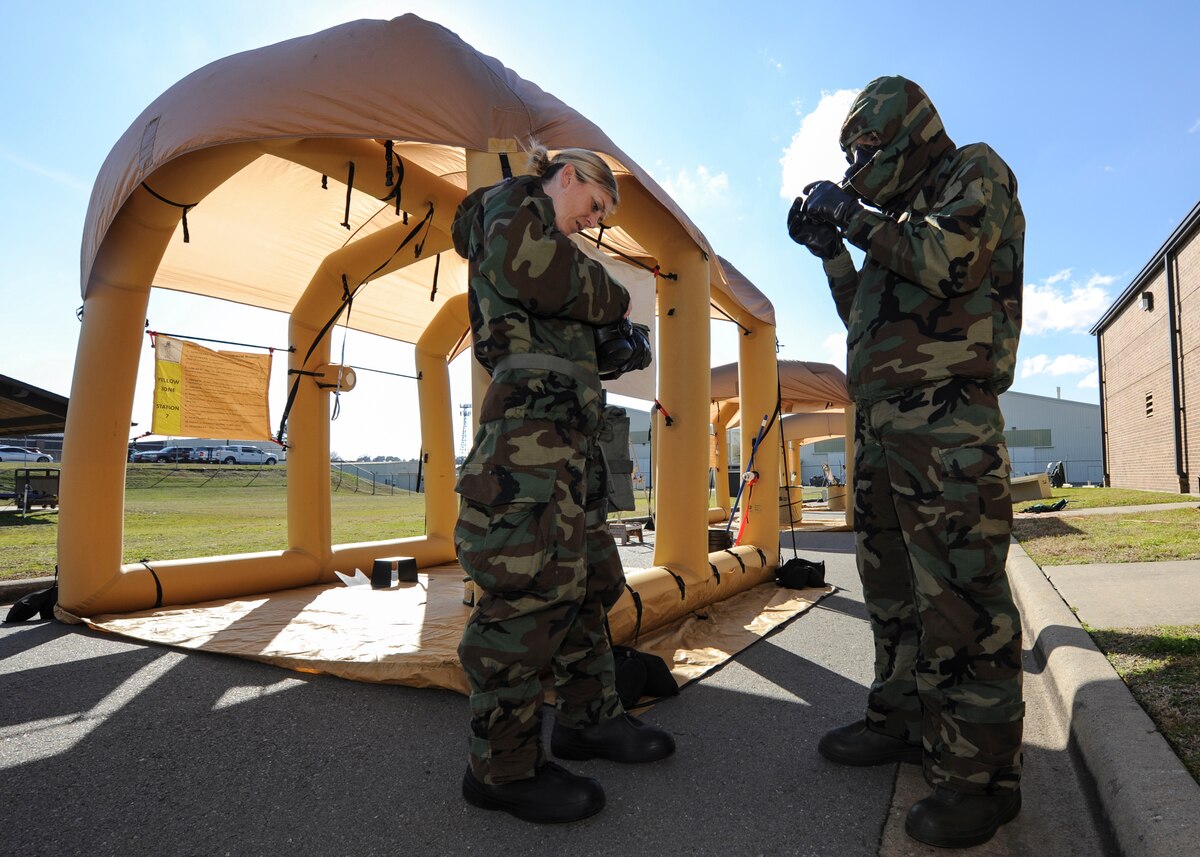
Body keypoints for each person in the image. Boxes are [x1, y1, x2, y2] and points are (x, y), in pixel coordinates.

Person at [787, 76, 1025, 849]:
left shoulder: (972, 174)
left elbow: (953, 261)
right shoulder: (891, 221)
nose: (854, 165)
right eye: (848, 155)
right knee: (891, 592)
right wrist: (832, 252)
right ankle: (900, 718)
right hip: (885, 423)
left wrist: (850, 218)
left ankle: (979, 780)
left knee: (960, 601)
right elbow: (868, 320)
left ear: (908, 133)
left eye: (863, 150)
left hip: (948, 421)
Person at [451, 143, 674, 824]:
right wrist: (612, 307)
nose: (594, 221)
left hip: (564, 438)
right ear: (569, 175)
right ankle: (502, 766)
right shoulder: (510, 204)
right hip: (528, 441)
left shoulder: (539, 229)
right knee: (524, 596)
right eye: (596, 205)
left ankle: (589, 718)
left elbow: (548, 299)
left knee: (580, 586)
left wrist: (599, 349)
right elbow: (542, 273)